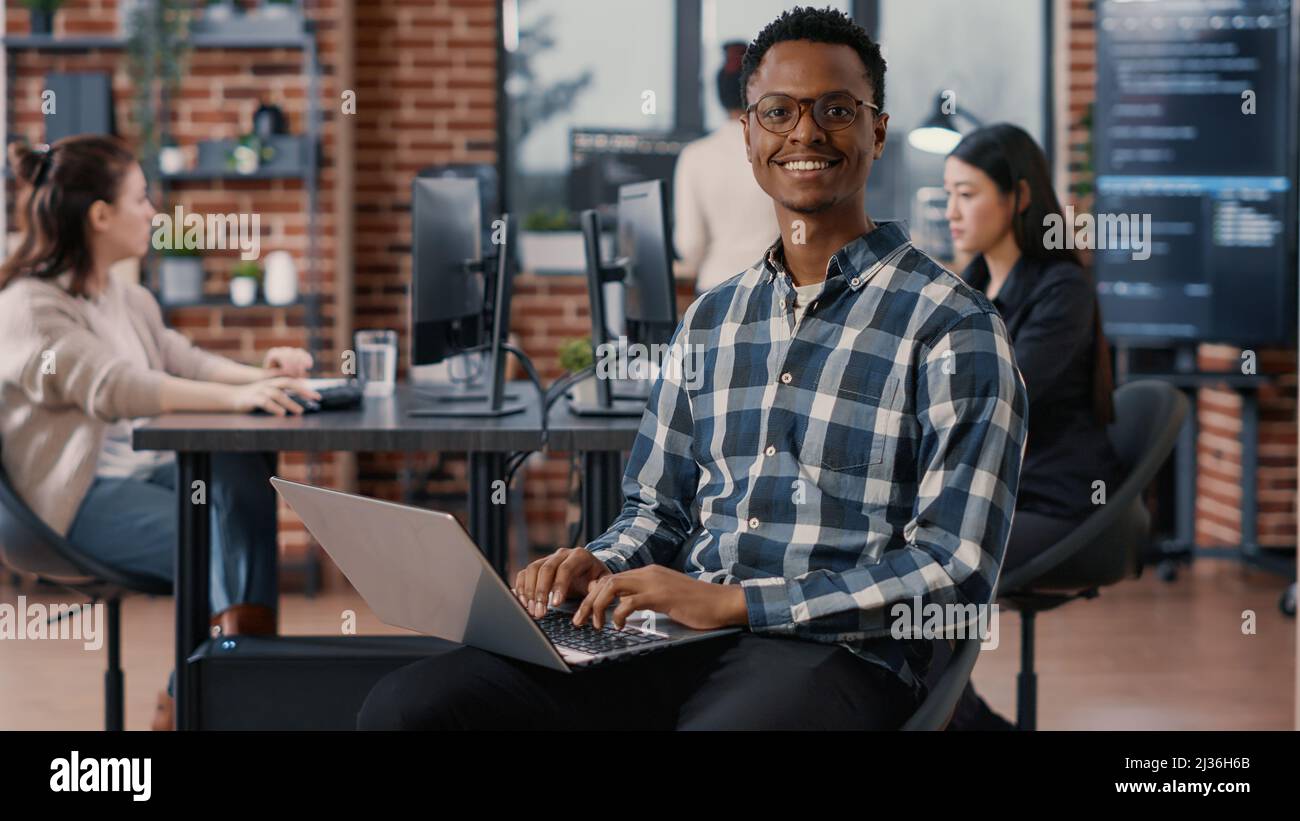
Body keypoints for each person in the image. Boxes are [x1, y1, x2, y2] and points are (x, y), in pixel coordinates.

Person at [358, 7, 1028, 731]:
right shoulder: (713, 318)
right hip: (671, 634)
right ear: (749, 135)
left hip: (837, 652)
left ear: (877, 129)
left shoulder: (952, 325)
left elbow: (953, 571)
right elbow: (658, 511)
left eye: (836, 109)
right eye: (779, 111)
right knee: (411, 706)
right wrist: (599, 561)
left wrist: (739, 603)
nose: (805, 132)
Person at [0, 134, 320, 729]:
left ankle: (222, 689)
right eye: (141, 199)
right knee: (219, 554)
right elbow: (115, 386)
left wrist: (259, 377)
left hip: (138, 475)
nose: (153, 213)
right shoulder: (29, 308)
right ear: (100, 216)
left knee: (242, 464)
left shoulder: (126, 297)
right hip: (69, 503)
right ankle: (202, 701)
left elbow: (185, 359)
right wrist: (235, 396)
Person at [943, 123, 1122, 729]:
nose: (952, 212)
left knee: (918, 586)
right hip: (992, 497)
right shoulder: (968, 287)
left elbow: (999, 401)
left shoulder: (1061, 288)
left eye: (967, 194)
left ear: (1019, 197)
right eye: (948, 195)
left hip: (1052, 500)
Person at [673, 41, 781, 293]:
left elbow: (690, 244)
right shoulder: (783, 149)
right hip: (773, 288)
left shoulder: (695, 156)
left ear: (719, 94)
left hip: (716, 288)